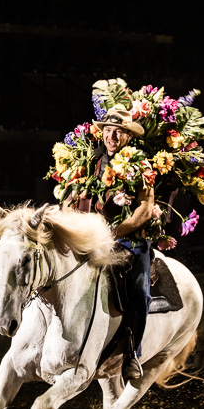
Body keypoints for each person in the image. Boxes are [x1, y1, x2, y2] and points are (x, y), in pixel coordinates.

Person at [78, 107, 154, 382]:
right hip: (94, 237)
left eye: (118, 132)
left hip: (131, 242)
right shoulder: (91, 163)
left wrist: (114, 231)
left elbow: (145, 210)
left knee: (139, 292)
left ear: (127, 136)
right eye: (108, 130)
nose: (111, 136)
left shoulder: (141, 165)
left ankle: (132, 353)